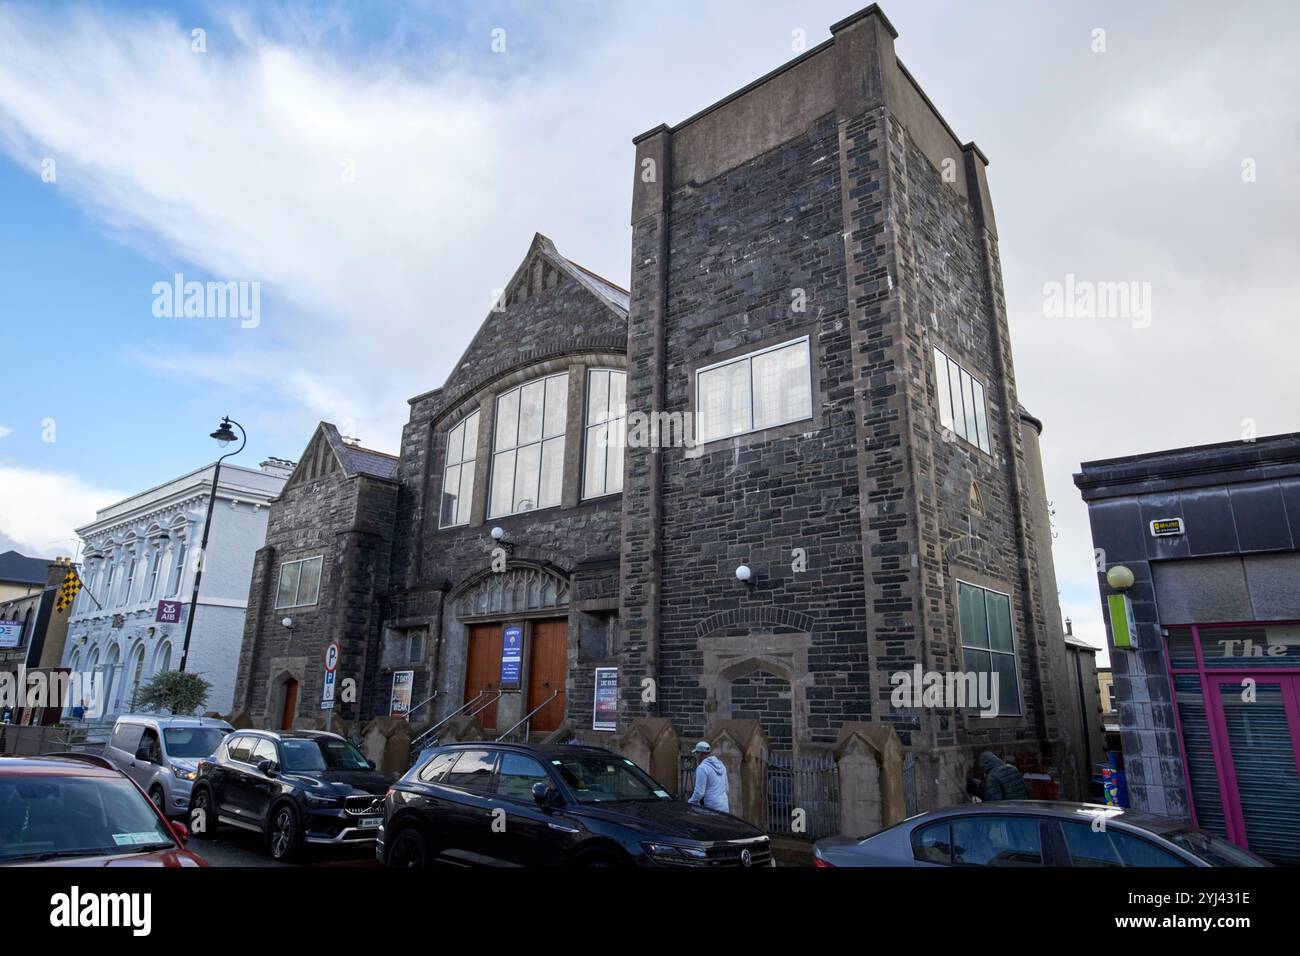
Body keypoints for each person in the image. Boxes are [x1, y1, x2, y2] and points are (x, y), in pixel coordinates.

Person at [687, 740, 729, 812]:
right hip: (724, 807)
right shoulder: (722, 765)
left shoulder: (702, 768)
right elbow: (727, 789)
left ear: (701, 754)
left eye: (696, 753)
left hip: (711, 808)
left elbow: (699, 793)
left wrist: (689, 804)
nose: (695, 755)